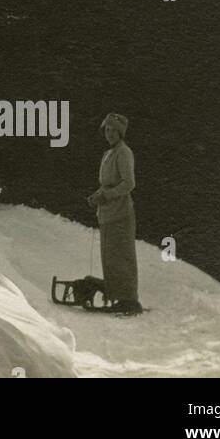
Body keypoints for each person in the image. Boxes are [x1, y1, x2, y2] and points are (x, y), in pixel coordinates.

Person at [87, 112, 142, 314]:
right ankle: (117, 296)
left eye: (113, 130)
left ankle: (129, 299)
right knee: (110, 256)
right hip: (107, 212)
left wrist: (107, 195)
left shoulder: (123, 152)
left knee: (122, 255)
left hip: (121, 212)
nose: (109, 134)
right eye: (107, 130)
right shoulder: (108, 154)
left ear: (120, 132)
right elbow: (106, 183)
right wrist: (97, 196)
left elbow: (129, 183)